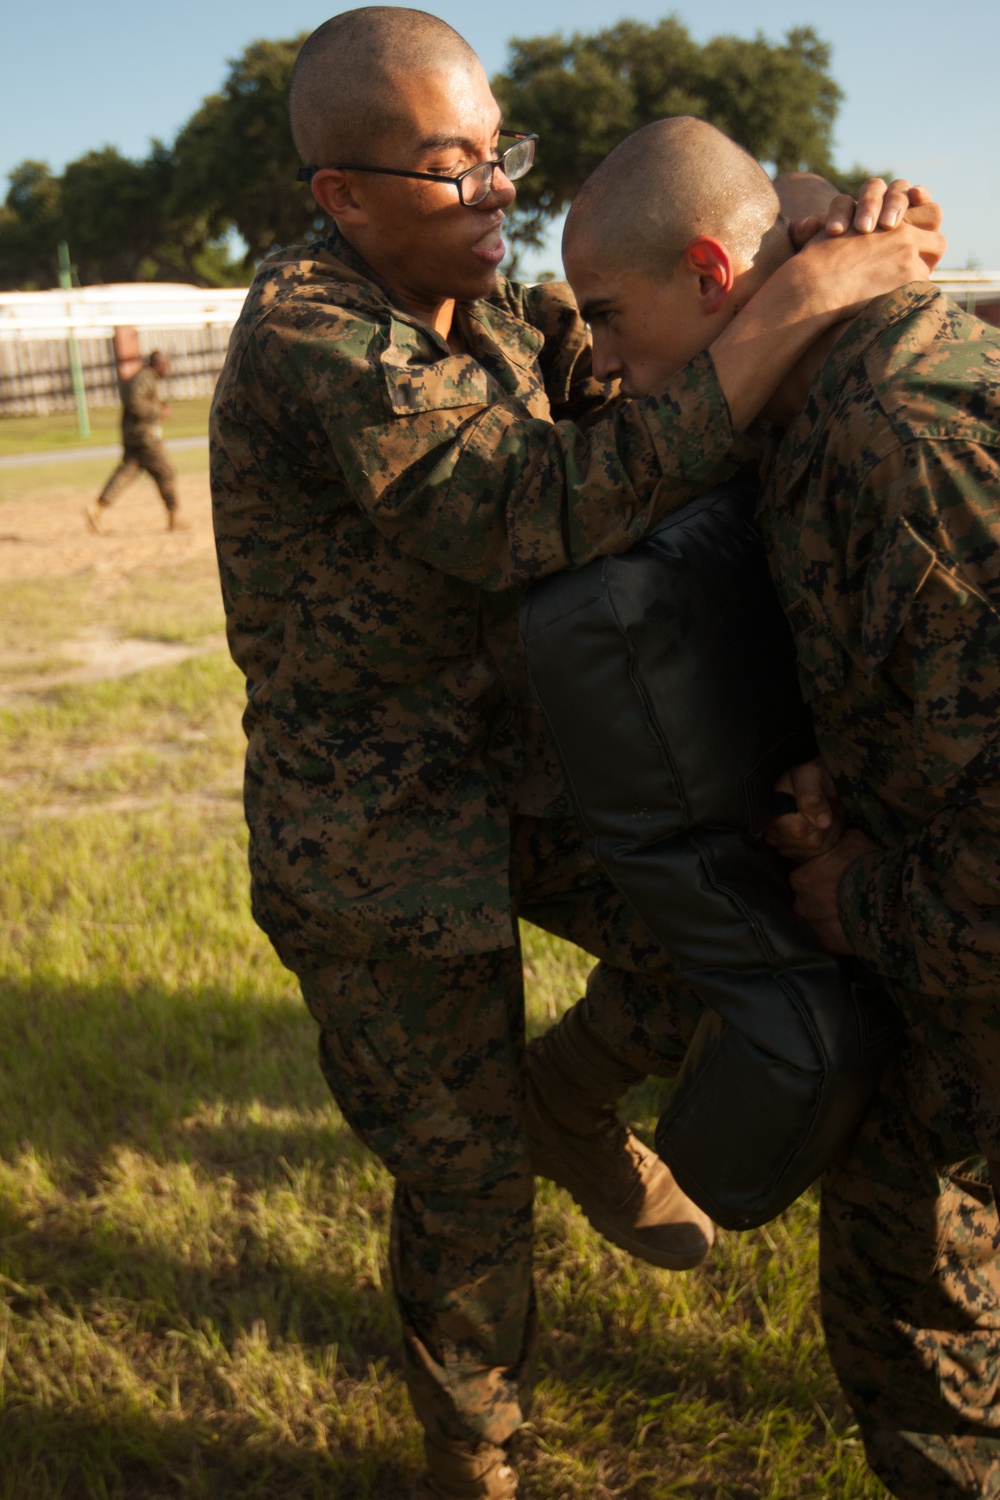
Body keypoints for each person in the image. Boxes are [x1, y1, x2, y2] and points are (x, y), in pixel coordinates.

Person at [209, 10, 943, 1496]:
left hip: (535, 771)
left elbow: (649, 347)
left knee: (724, 937)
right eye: (445, 167)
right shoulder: (311, 330)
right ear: (342, 197)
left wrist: (802, 211)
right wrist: (800, 304)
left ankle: (573, 1095)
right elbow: (529, 507)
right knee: (466, 1190)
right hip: (371, 825)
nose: (493, 195)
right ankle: (477, 1461)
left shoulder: (498, 309)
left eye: (499, 155)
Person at [562, 114, 1000, 1500]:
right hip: (941, 947)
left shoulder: (899, 436)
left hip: (962, 968)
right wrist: (841, 785)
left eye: (609, 320)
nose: (609, 366)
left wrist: (857, 893)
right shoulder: (824, 401)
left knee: (929, 1350)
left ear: (708, 274)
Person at [87, 350, 182, 532]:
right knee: (165, 473)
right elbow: (135, 403)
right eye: (166, 366)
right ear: (158, 364)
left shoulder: (144, 377)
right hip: (144, 436)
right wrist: (158, 411)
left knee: (126, 473)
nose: (167, 370)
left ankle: (97, 508)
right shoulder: (144, 378)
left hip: (135, 436)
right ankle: (174, 518)